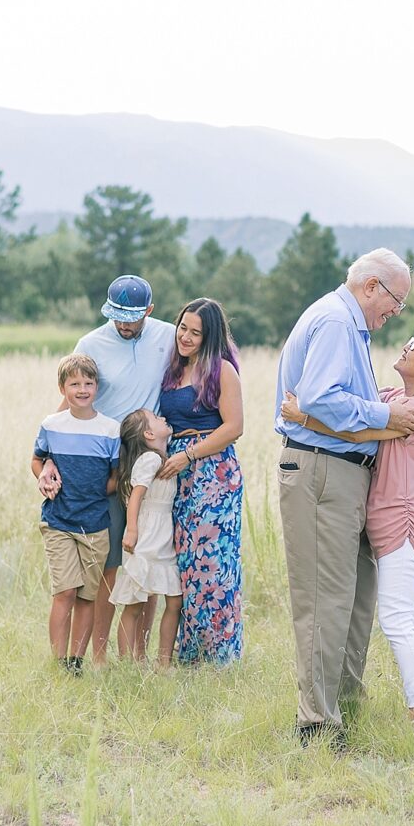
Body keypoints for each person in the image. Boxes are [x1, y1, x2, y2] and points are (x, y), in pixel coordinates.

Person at [275, 248, 414, 746]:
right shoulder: (337, 322)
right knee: (326, 599)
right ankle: (318, 723)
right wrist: (385, 418)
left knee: (356, 598)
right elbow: (321, 398)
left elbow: (325, 403)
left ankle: (344, 703)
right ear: (371, 286)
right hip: (322, 473)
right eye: (395, 302)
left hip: (344, 473)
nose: (394, 313)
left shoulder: (349, 326)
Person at [283, 323, 414, 725]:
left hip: (403, 523)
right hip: (394, 523)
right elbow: (356, 404)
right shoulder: (401, 398)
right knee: (410, 617)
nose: (406, 346)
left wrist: (302, 416)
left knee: (398, 618)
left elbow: (355, 429)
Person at [42, 275, 177, 662]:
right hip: (105, 463)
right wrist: (50, 452)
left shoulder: (167, 337)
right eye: (117, 316)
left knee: (147, 559)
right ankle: (98, 656)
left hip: (148, 462)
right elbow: (72, 399)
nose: (124, 325)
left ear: (149, 312)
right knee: (110, 564)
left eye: (132, 318)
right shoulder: (91, 343)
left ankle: (138, 656)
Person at [157, 298, 245, 666]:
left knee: (213, 564)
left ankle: (217, 656)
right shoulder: (172, 370)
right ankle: (188, 653)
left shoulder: (221, 370)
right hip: (177, 474)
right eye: (183, 328)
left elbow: (234, 427)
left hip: (213, 473)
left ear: (209, 337)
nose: (186, 337)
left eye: (196, 332)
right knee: (185, 564)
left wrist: (189, 455)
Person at [31, 353, 120, 674]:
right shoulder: (51, 425)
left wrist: (94, 493)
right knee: (65, 590)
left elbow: (115, 477)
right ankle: (58, 662)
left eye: (88, 383)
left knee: (86, 595)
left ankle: (75, 662)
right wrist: (44, 474)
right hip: (58, 520)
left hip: (95, 525)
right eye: (74, 384)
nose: (82, 389)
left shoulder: (110, 430)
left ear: (97, 387)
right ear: (62, 388)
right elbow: (37, 460)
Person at [109, 409, 183, 668]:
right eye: (156, 418)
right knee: (134, 605)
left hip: (164, 542)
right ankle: (127, 664)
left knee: (175, 601)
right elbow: (136, 496)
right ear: (149, 433)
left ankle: (164, 663)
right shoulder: (150, 459)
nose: (163, 417)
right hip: (147, 539)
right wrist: (131, 529)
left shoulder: (164, 457)